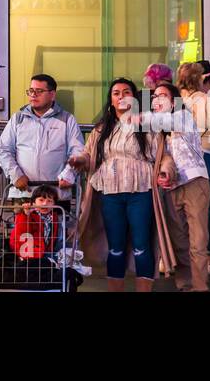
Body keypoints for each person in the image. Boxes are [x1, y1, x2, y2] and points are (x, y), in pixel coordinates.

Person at [75, 78, 163, 292]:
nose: (121, 96)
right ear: (111, 100)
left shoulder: (149, 125)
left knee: (142, 245)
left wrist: (166, 170)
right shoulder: (101, 129)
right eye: (116, 93)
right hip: (110, 192)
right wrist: (79, 160)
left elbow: (162, 154)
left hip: (141, 190)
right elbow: (88, 154)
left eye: (126, 92)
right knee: (116, 247)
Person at [150, 82, 210, 292]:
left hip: (195, 183)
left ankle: (200, 287)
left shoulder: (183, 117)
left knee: (198, 240)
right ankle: (185, 285)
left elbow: (160, 121)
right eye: (155, 96)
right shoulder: (159, 133)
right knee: (179, 240)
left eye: (163, 96)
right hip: (172, 188)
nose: (157, 99)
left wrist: (134, 117)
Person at [0, 74, 85, 203]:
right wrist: (16, 175)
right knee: (23, 224)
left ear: (52, 94)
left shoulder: (67, 119)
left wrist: (69, 175)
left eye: (39, 91)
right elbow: (4, 150)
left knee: (56, 224)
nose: (33, 95)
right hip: (24, 193)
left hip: (55, 194)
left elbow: (78, 152)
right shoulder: (18, 119)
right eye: (31, 91)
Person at [178, 61, 210, 274]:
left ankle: (174, 258)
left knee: (181, 210)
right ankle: (205, 261)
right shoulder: (208, 102)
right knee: (205, 210)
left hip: (179, 160)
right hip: (205, 158)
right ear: (202, 80)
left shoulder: (176, 100)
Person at [0, 185, 82, 291]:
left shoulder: (55, 219)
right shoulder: (28, 215)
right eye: (41, 200)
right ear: (33, 203)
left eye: (49, 201)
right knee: (35, 270)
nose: (44, 203)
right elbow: (22, 232)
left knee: (60, 271)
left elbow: (57, 240)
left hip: (46, 255)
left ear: (54, 204)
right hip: (27, 255)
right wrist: (26, 214)